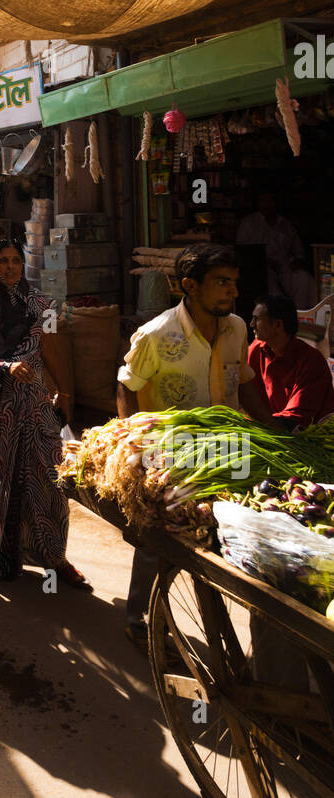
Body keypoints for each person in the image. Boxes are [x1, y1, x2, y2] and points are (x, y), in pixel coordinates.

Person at [117, 243, 272, 648]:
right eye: (221, 283)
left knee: (218, 536)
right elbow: (127, 386)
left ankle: (216, 622)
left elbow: (247, 385)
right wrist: (137, 445)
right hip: (173, 454)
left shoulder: (238, 329)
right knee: (159, 541)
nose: (232, 291)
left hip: (228, 451)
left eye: (234, 283)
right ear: (189, 285)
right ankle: (141, 619)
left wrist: (275, 432)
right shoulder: (157, 334)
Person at [0, 240, 90, 588]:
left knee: (50, 477)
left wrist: (65, 392)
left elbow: (53, 345)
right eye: (2, 261)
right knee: (3, 481)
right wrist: (6, 366)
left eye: (15, 260)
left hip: (36, 402)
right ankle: (2, 557)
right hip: (1, 405)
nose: (9, 267)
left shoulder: (42, 303)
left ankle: (56, 558)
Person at [248, 293, 334, 429]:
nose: (252, 324)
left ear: (278, 325)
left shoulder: (311, 362)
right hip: (272, 428)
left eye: (257, 319)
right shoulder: (255, 350)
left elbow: (297, 418)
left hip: (307, 437)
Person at [236, 191, 304, 298]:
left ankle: (301, 312)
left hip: (286, 267)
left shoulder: (286, 224)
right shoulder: (248, 223)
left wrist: (296, 261)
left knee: (304, 278)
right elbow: (243, 251)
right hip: (260, 268)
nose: (267, 205)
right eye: (263, 201)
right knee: (269, 283)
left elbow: (298, 251)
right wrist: (263, 260)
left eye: (270, 201)